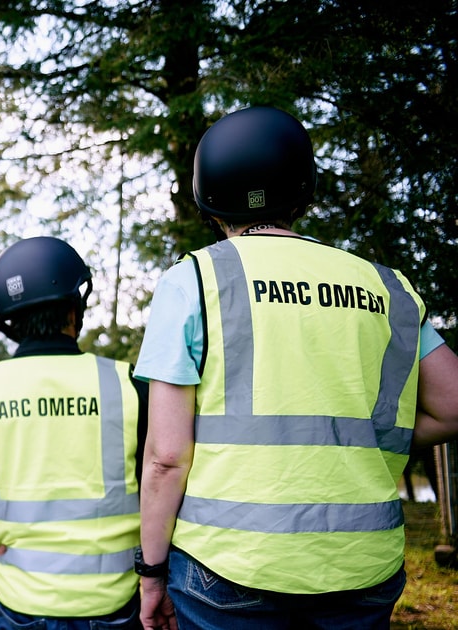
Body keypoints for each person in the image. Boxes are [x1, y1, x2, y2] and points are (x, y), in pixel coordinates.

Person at [135, 105, 458, 630]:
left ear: (208, 196)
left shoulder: (196, 279)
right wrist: (365, 437)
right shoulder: (388, 287)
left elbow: (166, 457)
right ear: (303, 189)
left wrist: (150, 572)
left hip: (231, 566)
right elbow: (452, 407)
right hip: (362, 567)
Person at [0, 236, 148, 629]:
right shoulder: (127, 384)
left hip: (20, 607)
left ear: (9, 320)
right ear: (76, 306)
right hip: (112, 604)